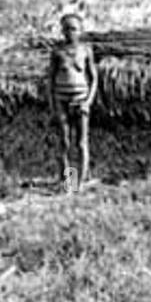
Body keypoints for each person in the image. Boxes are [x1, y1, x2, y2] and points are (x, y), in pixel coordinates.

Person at [47, 14, 98, 192]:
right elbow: (50, 80)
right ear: (62, 31)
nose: (70, 32)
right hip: (62, 99)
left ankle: (80, 184)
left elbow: (94, 78)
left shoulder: (86, 51)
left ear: (81, 30)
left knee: (82, 143)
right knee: (65, 143)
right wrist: (53, 106)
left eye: (74, 28)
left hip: (81, 100)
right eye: (67, 29)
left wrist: (88, 101)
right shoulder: (57, 52)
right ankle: (69, 183)